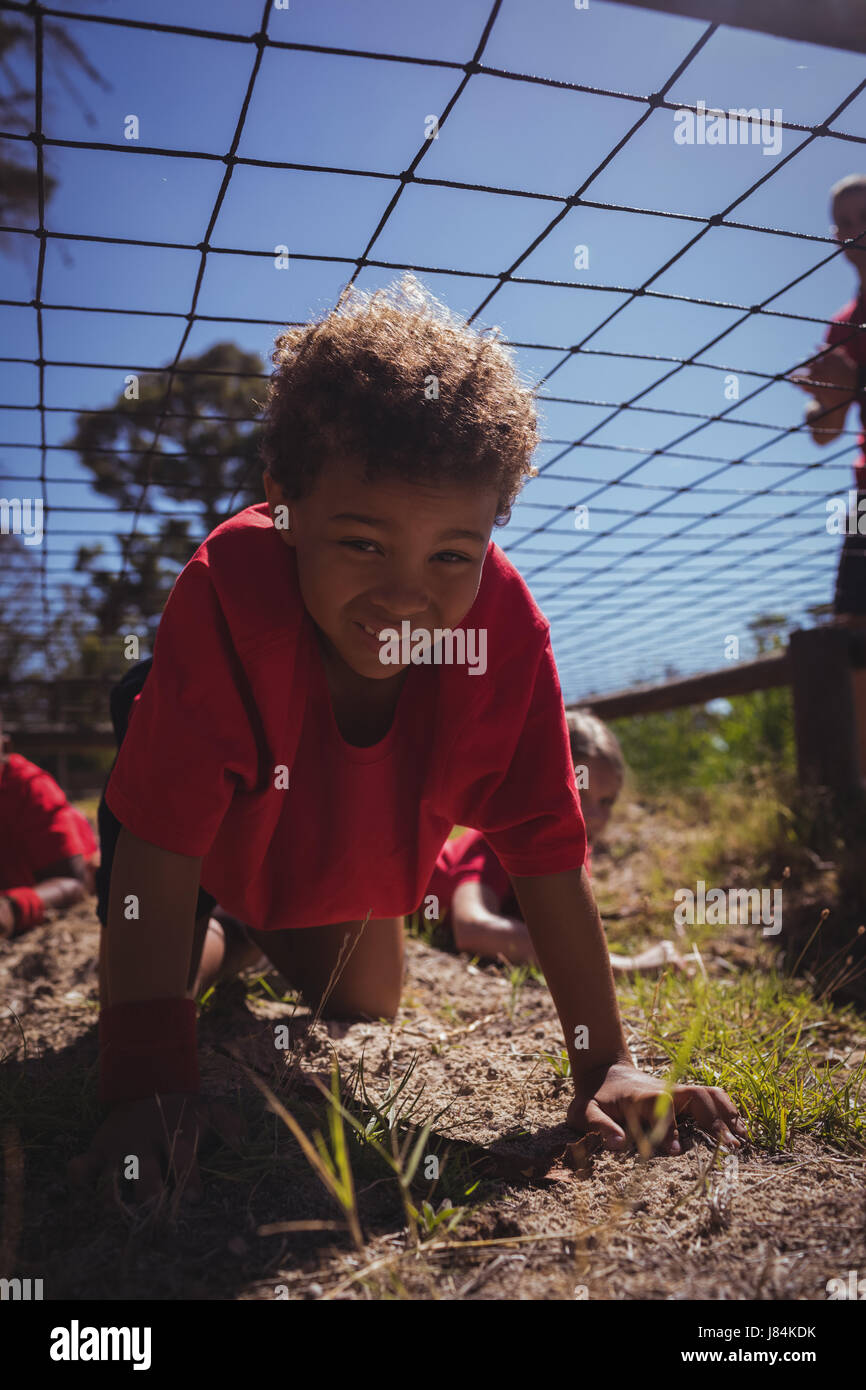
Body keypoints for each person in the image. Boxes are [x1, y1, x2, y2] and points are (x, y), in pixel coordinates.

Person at [71, 275, 746, 1205]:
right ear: (283, 504)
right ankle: (214, 923)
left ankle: (245, 922)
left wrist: (607, 1067)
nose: (404, 596)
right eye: (361, 544)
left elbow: (548, 849)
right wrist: (149, 1085)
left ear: (491, 535)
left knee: (365, 1003)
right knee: (167, 963)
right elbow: (159, 843)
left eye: (449, 556)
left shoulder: (505, 634)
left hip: (331, 820)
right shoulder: (225, 593)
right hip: (195, 830)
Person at [423, 709, 682, 972]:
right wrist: (626, 966)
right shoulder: (498, 841)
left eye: (606, 801)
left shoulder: (574, 857)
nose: (593, 816)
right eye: (578, 793)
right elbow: (472, 927)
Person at [789, 173, 866, 777]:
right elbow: (825, 433)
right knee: (853, 635)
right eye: (841, 223)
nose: (851, 233)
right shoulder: (842, 328)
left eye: (862, 215)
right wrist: (832, 396)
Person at [0, 706, 98, 939]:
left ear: (5, 749)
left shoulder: (31, 788)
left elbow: (75, 883)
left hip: (81, 856)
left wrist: (11, 908)